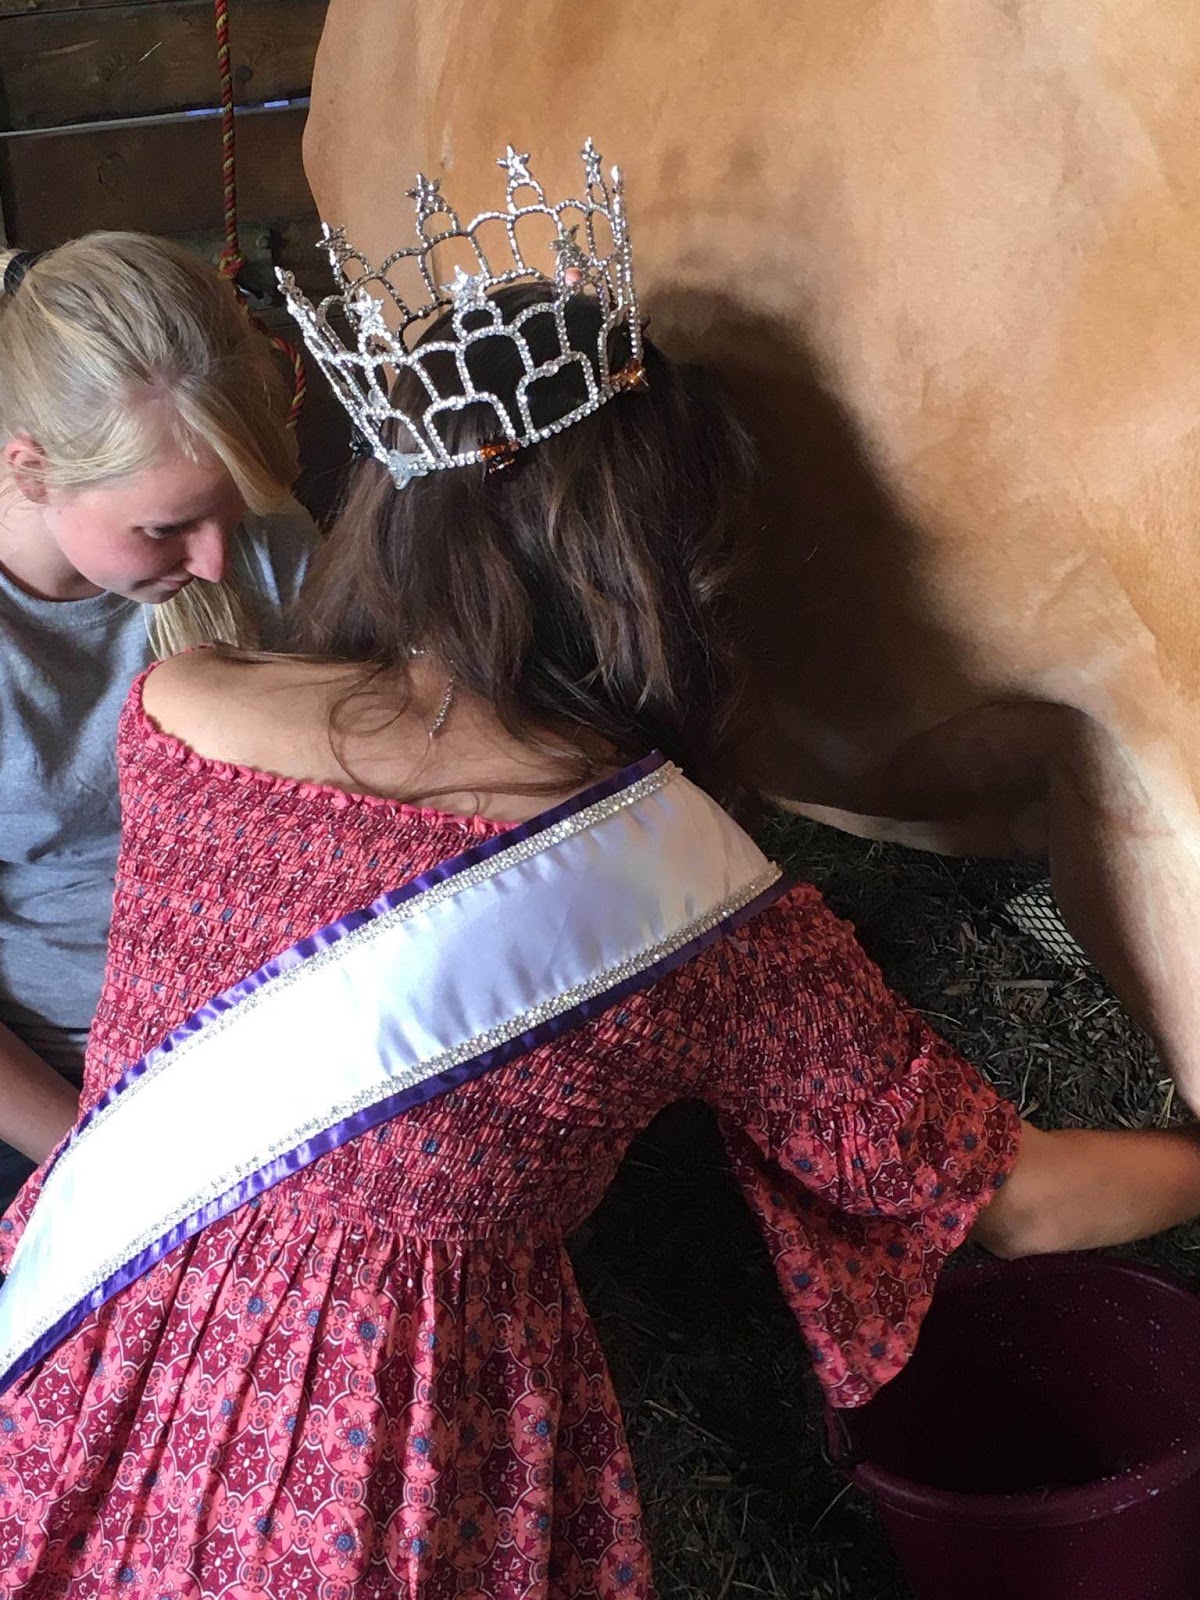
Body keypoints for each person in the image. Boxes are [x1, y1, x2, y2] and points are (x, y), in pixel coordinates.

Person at [0, 150, 1197, 1600]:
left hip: (92, 1342)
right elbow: (1019, 1201)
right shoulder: (685, 889)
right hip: (378, 1470)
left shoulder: (179, 719)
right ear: (661, 575)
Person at [0, 232, 317, 1208]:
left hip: (264, 1029)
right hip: (56, 1075)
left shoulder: (264, 550)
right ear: (32, 470)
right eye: (166, 526)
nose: (218, 560)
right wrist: (100, 1162)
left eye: (229, 511)